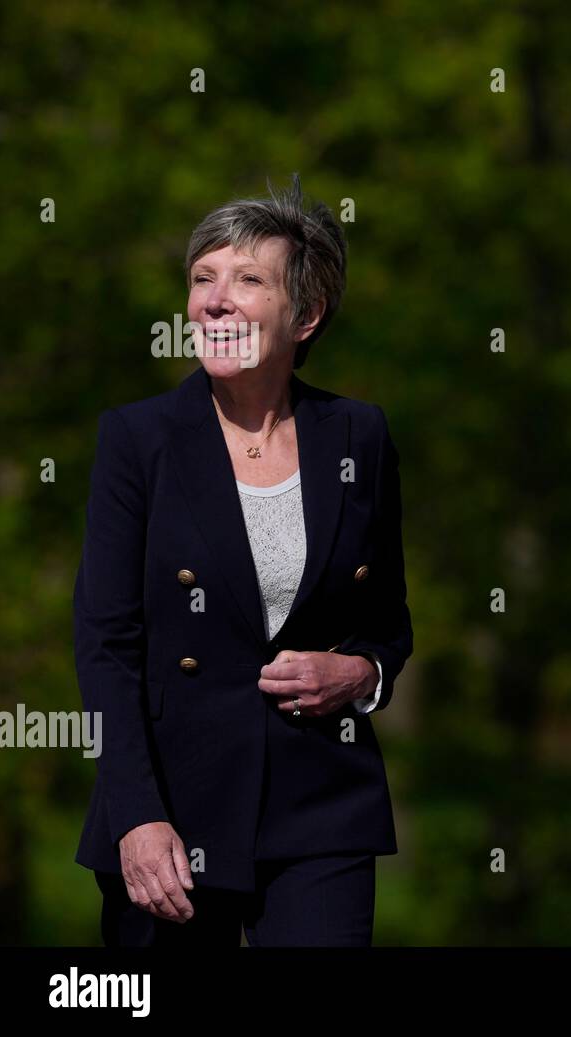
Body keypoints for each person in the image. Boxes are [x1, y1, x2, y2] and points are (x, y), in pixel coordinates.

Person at [73, 175, 413, 946]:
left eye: (248, 279)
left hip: (321, 808)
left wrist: (362, 676)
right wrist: (136, 814)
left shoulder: (360, 435)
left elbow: (387, 624)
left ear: (308, 314)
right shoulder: (137, 441)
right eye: (203, 278)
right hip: (169, 815)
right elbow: (105, 642)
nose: (216, 300)